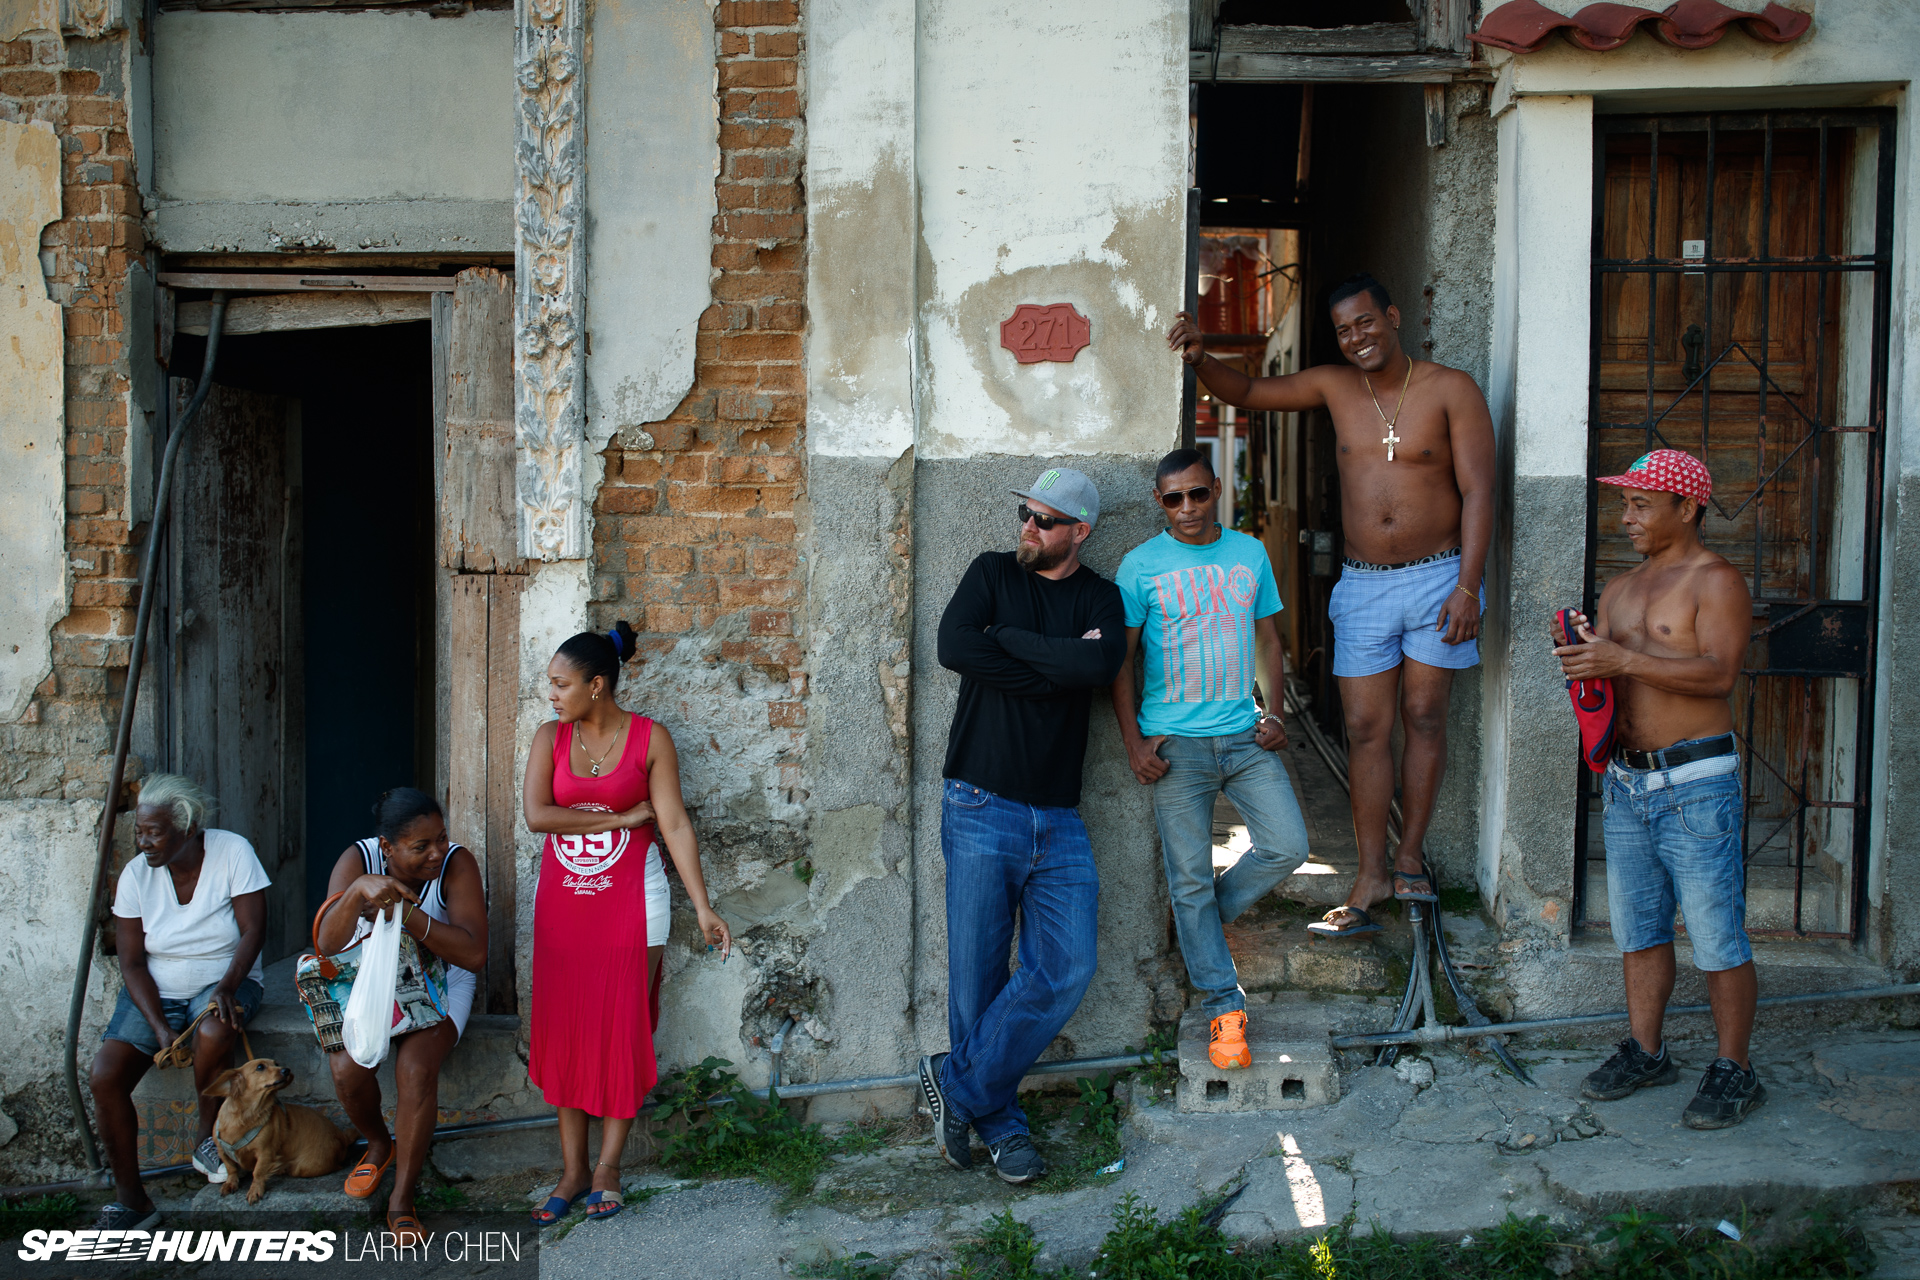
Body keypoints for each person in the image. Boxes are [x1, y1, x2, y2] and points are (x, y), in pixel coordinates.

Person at [1168, 273, 1495, 939]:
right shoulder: (1333, 386)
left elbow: (1481, 490)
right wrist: (1203, 358)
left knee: (1425, 716)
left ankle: (1410, 859)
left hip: (1439, 577)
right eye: (1345, 330)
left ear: (1393, 315)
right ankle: (1371, 872)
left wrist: (1468, 585)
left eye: (1365, 323)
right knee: (1367, 730)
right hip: (1364, 581)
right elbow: (1251, 392)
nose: (1356, 338)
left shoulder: (1451, 389)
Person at [918, 467, 1126, 1185]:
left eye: (1045, 520)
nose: (1028, 529)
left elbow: (1099, 663)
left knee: (1066, 966)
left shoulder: (1101, 596)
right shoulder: (989, 574)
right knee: (977, 975)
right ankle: (1001, 1126)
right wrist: (1051, 669)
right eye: (1027, 516)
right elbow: (955, 647)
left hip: (1059, 817)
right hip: (980, 802)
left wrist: (1005, 643)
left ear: (1079, 531)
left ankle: (959, 1085)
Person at [1552, 449, 1763, 1129]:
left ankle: (1736, 1069)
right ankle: (1648, 1051)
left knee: (1716, 935)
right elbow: (1609, 677)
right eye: (1625, 503)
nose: (1627, 516)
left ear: (1687, 507)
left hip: (1697, 783)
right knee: (1639, 931)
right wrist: (1585, 654)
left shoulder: (1716, 582)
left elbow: (1718, 675)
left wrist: (1623, 657)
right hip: (1628, 783)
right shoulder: (1620, 589)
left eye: (1642, 503)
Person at [524, 623, 732, 1223]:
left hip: (635, 902)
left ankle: (608, 1167)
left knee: (622, 1026)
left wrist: (702, 904)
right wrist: (616, 821)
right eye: (550, 686)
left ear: (596, 685)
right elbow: (539, 816)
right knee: (565, 1028)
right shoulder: (549, 738)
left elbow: (673, 824)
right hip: (564, 903)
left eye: (561, 685)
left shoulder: (649, 739)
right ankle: (570, 1171)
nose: (552, 696)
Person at [1109, 449, 1309, 1070]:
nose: (1188, 508)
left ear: (1216, 488)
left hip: (1244, 736)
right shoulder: (1140, 566)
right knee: (1188, 877)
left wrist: (1275, 713)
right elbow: (1121, 661)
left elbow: (1269, 639)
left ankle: (1198, 924)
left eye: (1198, 494)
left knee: (1288, 846)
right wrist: (1134, 744)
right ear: (1159, 501)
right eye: (1174, 499)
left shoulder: (1249, 554)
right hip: (1175, 747)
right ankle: (1223, 1004)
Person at [89, 774, 268, 1230]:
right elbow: (131, 963)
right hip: (156, 989)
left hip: (226, 977)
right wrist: (161, 1029)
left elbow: (253, 930)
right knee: (105, 1075)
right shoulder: (135, 875)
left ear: (187, 828)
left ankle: (207, 1137)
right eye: (140, 834)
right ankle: (132, 1201)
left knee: (214, 1028)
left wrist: (227, 987)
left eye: (155, 832)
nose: (144, 843)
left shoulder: (232, 852)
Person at [316, 788, 488, 1242]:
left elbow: (473, 955)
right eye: (421, 846)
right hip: (372, 986)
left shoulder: (455, 864)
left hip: (443, 980)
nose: (437, 852)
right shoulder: (357, 860)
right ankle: (378, 1143)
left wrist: (408, 914)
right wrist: (355, 894)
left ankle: (402, 1198)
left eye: (441, 838)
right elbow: (327, 946)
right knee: (346, 1069)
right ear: (387, 849)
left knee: (414, 1068)